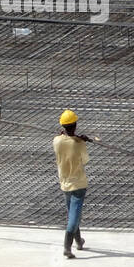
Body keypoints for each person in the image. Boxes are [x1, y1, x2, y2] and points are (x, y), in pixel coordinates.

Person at [53, 109, 92, 259]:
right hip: (78, 184)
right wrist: (81, 140)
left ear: (63, 126)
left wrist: (75, 138)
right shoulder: (79, 144)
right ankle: (67, 247)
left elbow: (63, 139)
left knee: (72, 213)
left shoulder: (56, 141)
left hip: (64, 183)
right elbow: (85, 160)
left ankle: (79, 241)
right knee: (74, 217)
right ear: (75, 126)